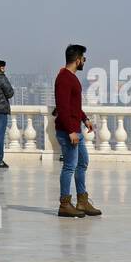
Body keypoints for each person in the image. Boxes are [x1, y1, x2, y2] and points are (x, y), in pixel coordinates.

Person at [55, 44, 101, 218]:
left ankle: (82, 201)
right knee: (69, 166)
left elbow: (74, 106)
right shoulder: (64, 78)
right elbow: (63, 107)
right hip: (69, 131)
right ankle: (65, 204)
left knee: (82, 162)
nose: (84, 62)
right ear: (77, 60)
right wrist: (71, 131)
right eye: (84, 59)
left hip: (76, 129)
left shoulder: (71, 77)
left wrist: (85, 119)